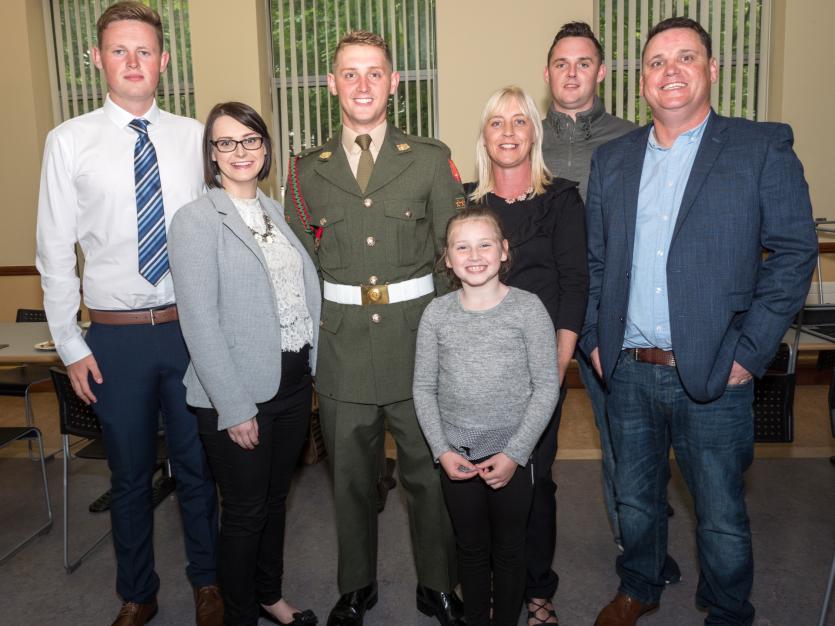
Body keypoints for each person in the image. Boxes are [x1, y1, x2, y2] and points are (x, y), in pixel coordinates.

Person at [580, 17, 818, 626]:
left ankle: (728, 609)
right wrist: (596, 341)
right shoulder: (613, 160)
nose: (671, 71)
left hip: (716, 369)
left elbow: (794, 253)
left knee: (720, 512)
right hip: (628, 369)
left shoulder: (759, 147)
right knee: (635, 500)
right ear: (641, 81)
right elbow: (595, 261)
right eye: (656, 62)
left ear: (712, 70)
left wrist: (750, 352)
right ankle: (640, 584)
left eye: (686, 57)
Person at [35, 3, 221, 625]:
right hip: (113, 341)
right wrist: (70, 344)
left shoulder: (196, 137)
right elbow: (54, 252)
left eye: (145, 51)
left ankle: (208, 584)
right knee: (129, 477)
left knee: (197, 469)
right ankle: (137, 593)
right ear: (97, 59)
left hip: (190, 332)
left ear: (164, 61)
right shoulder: (68, 142)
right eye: (120, 50)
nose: (133, 62)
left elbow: (221, 231)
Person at [285, 30, 466, 626]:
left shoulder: (430, 159)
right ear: (331, 84)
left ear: (394, 83)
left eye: (374, 73)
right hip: (342, 348)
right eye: (350, 73)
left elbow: (451, 258)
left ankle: (438, 584)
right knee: (351, 481)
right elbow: (300, 269)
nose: (362, 84)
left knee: (429, 476)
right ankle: (355, 586)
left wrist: (449, 344)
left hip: (417, 342)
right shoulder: (306, 172)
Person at [540, 22, 680, 623]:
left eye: (583, 63)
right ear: (548, 73)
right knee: (529, 442)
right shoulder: (523, 135)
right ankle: (523, 559)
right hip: (540, 315)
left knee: (626, 443)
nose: (572, 73)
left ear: (601, 72)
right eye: (561, 63)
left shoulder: (634, 140)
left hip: (611, 317)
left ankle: (638, 548)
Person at [168, 102, 320, 626]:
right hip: (235, 395)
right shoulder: (195, 220)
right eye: (226, 142)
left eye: (250, 139)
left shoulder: (275, 211)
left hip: (293, 385)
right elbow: (199, 322)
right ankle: (238, 616)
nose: (240, 151)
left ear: (265, 147)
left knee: (274, 502)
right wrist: (234, 407)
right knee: (245, 513)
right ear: (211, 154)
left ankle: (268, 595)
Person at [465, 85, 588, 625]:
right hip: (477, 373)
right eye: (497, 122)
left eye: (520, 121)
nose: (509, 132)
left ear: (535, 133)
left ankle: (537, 589)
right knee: (481, 481)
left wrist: (556, 369)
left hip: (540, 368)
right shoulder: (468, 206)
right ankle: (492, 582)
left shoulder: (561, 200)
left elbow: (575, 284)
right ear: (484, 136)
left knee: (535, 480)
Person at [413, 207, 560, 626]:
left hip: (513, 454)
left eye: (485, 244)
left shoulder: (528, 309)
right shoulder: (436, 314)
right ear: (447, 258)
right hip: (456, 455)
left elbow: (546, 386)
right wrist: (441, 450)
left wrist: (515, 453)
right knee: (471, 548)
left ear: (504, 250)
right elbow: (423, 388)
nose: (474, 255)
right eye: (462, 247)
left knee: (510, 549)